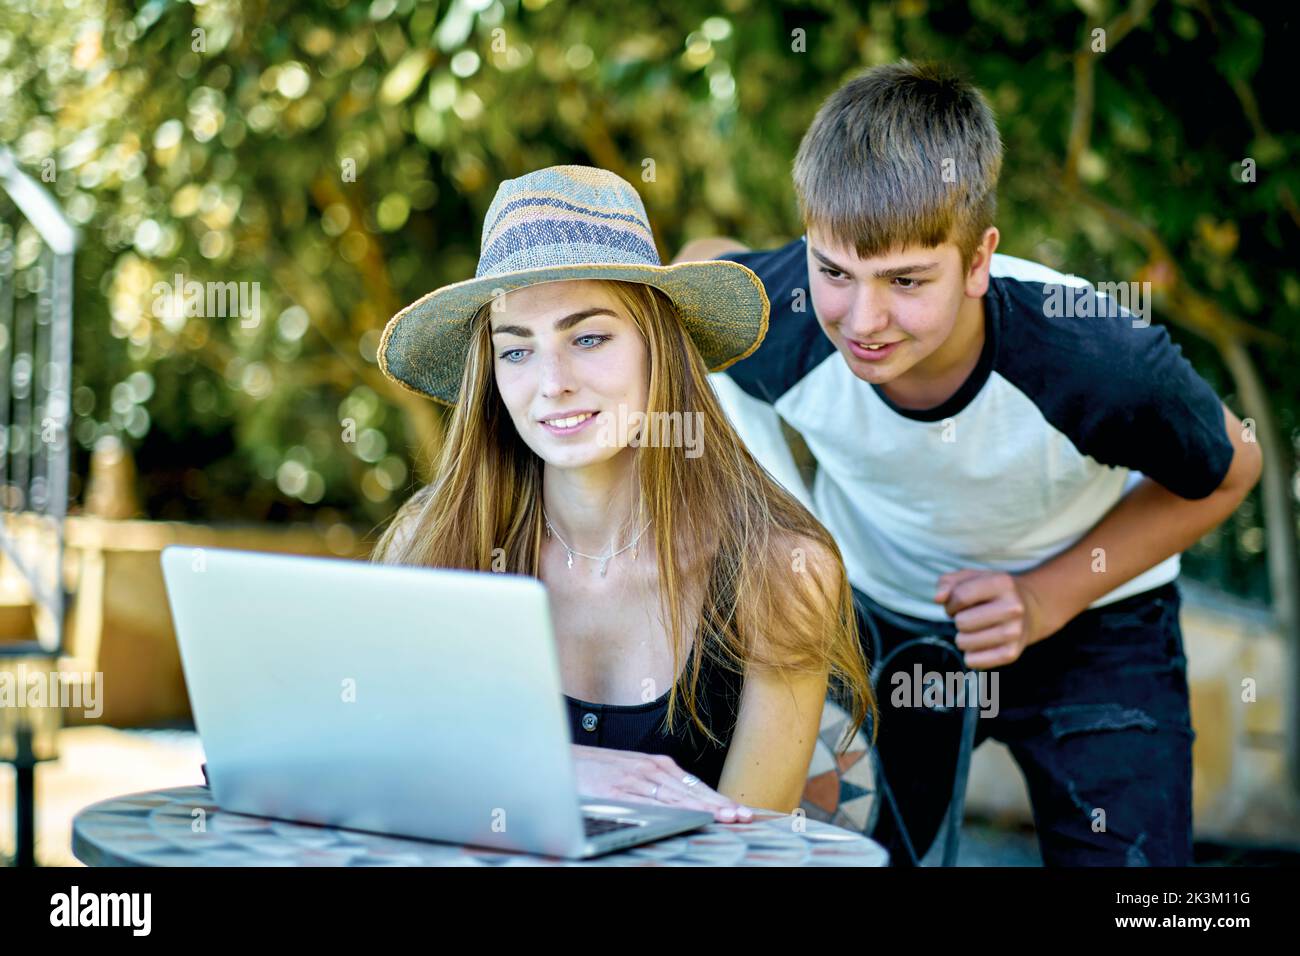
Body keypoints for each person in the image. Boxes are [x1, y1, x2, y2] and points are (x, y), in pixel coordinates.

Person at [675, 62, 1262, 863]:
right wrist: (779, 516)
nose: (865, 319)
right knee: (864, 858)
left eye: (907, 280)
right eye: (835, 271)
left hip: (1095, 619)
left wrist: (1046, 596)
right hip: (883, 619)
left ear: (979, 260)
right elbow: (695, 270)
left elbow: (1236, 468)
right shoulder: (783, 315)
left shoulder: (1093, 355)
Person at [370, 165, 876, 821]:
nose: (553, 382)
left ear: (657, 349)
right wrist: (565, 770)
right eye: (516, 351)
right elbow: (377, 776)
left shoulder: (779, 571)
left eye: (588, 338)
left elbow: (747, 847)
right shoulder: (432, 543)